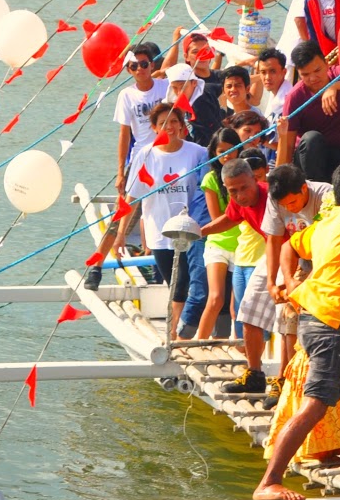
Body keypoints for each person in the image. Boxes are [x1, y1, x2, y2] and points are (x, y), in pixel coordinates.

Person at [254, 160, 340, 500]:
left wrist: (290, 279)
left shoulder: (329, 221)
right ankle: (269, 481)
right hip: (331, 323)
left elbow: (289, 246)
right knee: (315, 404)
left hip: (333, 322)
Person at [93, 104, 207, 328]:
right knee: (173, 283)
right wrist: (121, 234)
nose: (169, 127)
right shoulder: (145, 155)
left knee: (186, 281)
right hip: (160, 233)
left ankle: (177, 331)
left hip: (191, 231)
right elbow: (132, 198)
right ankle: (179, 327)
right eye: (163, 122)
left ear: (182, 125)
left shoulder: (197, 153)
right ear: (154, 127)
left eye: (174, 121)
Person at [197, 159, 274, 395]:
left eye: (244, 187)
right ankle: (254, 374)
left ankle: (281, 382)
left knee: (285, 322)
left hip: (289, 254)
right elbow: (231, 217)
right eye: (233, 191)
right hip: (272, 256)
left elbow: (278, 238)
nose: (240, 195)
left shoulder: (270, 196)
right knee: (248, 313)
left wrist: (276, 277)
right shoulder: (238, 201)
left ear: (255, 179)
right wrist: (199, 232)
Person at [262, 164, 334, 378]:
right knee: (288, 316)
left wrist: (305, 284)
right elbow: (274, 241)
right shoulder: (275, 200)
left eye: (292, 202)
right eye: (285, 205)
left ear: (304, 189)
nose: (290, 208)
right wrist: (273, 282)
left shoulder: (326, 195)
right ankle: (285, 378)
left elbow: (331, 246)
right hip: (301, 261)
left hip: (329, 262)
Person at [277, 40, 340, 182]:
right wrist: (280, 180)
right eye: (305, 74)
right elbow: (288, 144)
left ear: (327, 63)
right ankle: (317, 189)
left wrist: (333, 87)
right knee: (312, 139)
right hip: (309, 158)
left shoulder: (338, 73)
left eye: (317, 70)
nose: (313, 78)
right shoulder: (294, 97)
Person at [193, 128, 246, 339]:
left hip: (243, 245)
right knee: (215, 298)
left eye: (231, 150)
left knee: (238, 305)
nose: (226, 155)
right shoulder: (211, 179)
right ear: (214, 153)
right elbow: (218, 219)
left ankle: (241, 348)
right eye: (221, 151)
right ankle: (198, 343)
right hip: (218, 244)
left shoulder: (247, 176)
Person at [114, 43, 169, 193]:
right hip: (141, 155)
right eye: (134, 66)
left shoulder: (166, 86)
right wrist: (120, 173)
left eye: (144, 64)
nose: (140, 69)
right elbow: (124, 134)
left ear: (152, 65)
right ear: (128, 70)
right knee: (130, 204)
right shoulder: (126, 95)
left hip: (167, 152)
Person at [163, 31, 226, 149]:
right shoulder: (182, 82)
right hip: (195, 146)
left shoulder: (222, 77)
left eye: (205, 51)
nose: (202, 55)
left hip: (220, 142)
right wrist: (175, 42)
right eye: (195, 52)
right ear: (186, 56)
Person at [251, 48, 291, 126]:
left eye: (272, 71)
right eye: (263, 72)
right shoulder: (275, 92)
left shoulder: (287, 100)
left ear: (284, 72)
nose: (267, 77)